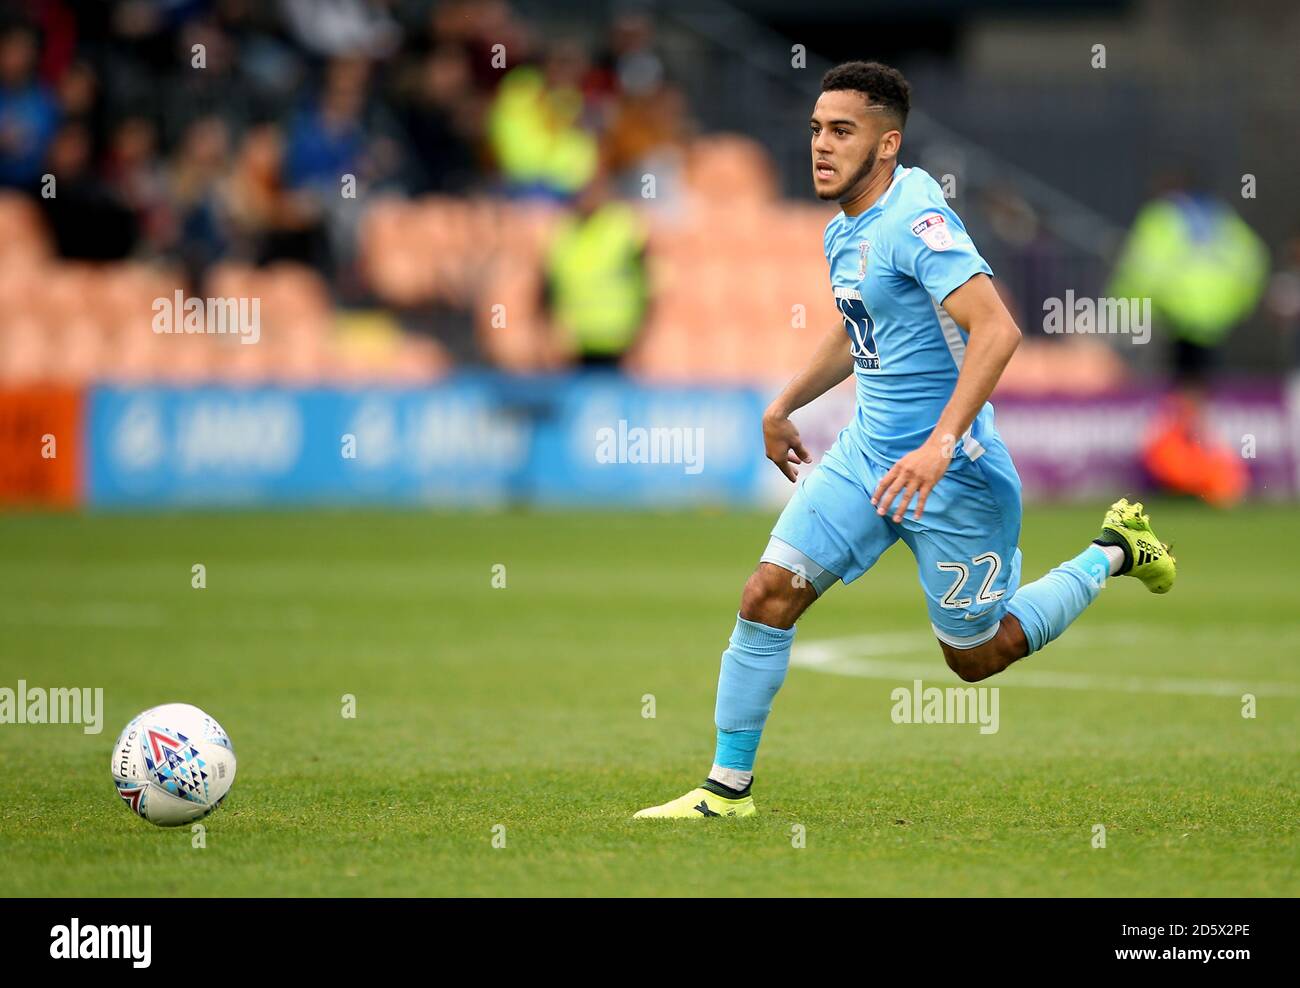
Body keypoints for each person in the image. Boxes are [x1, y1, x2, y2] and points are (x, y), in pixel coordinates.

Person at [635, 62, 1177, 820]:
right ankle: (726, 791)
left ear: (887, 145)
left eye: (842, 131)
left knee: (975, 658)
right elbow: (863, 323)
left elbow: (999, 329)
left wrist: (940, 445)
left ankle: (1114, 550)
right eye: (817, 129)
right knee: (766, 596)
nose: (821, 145)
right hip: (865, 460)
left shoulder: (919, 221)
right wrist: (785, 402)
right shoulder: (844, 229)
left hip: (953, 477)